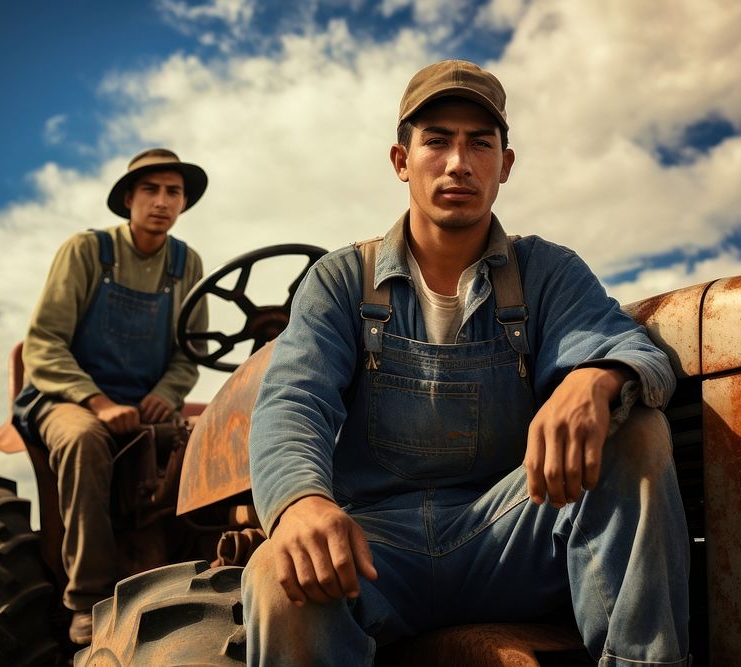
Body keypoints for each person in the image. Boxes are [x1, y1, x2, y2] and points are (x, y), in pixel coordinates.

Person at [241, 61, 690, 666]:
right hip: (376, 549)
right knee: (279, 574)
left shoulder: (546, 273)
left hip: (508, 534)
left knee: (634, 430)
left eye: (480, 143)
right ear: (401, 160)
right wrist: (299, 502)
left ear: (505, 165)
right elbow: (294, 401)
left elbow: (632, 348)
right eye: (437, 141)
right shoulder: (342, 281)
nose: (459, 163)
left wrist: (595, 378)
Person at [17, 148, 209, 645]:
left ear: (183, 202)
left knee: (210, 441)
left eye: (173, 192)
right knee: (84, 441)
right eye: (151, 190)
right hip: (65, 398)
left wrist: (165, 394)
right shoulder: (87, 251)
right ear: (128, 198)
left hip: (145, 405)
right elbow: (43, 345)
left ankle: (206, 576)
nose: (162, 201)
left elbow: (191, 353)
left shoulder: (186, 264)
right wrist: (97, 402)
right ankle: (88, 598)